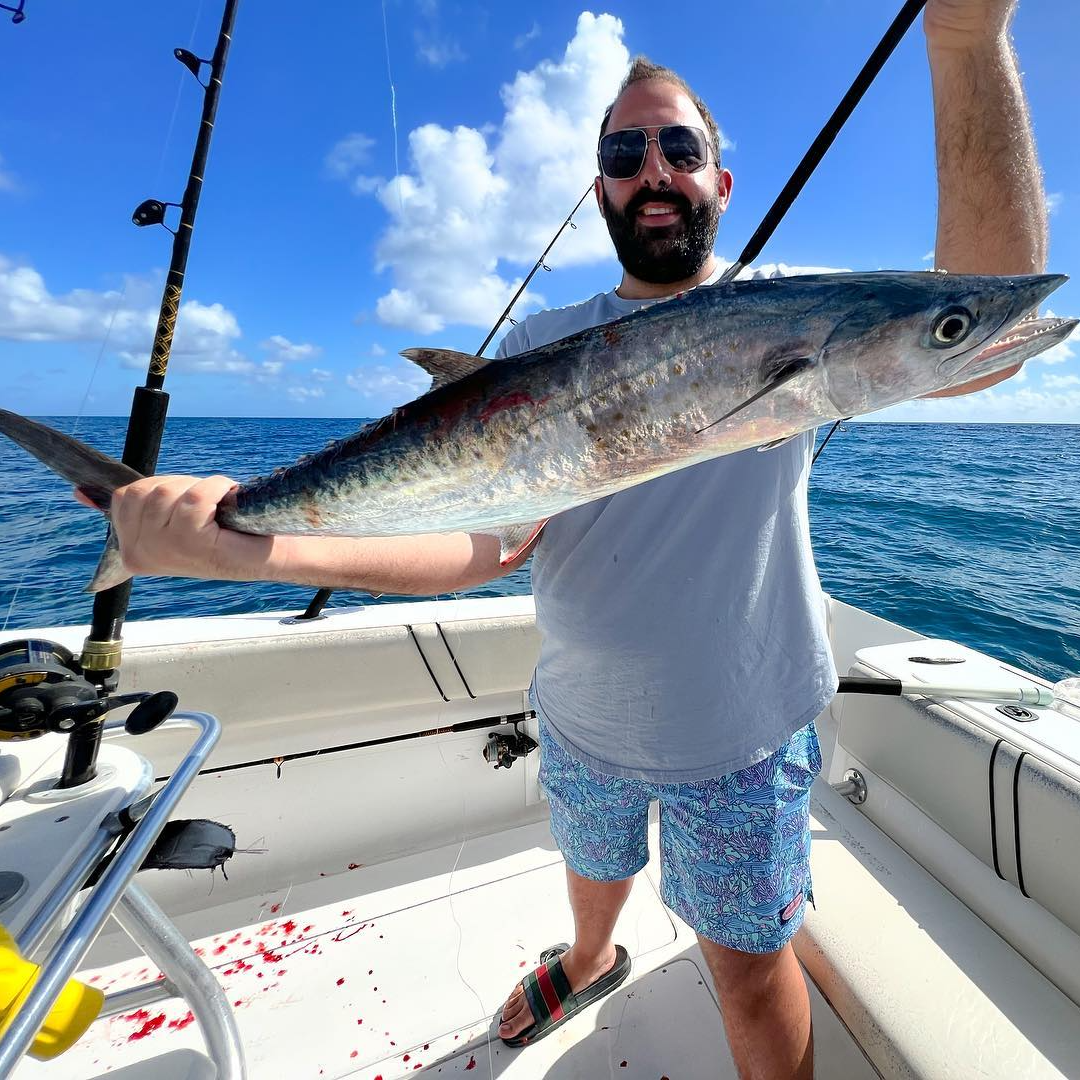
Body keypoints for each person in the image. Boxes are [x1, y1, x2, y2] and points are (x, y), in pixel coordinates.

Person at [96, 2, 1046, 1076]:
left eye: (680, 147)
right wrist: (247, 548)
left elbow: (983, 327)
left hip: (743, 735)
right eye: (624, 152)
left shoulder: (792, 305)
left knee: (745, 965)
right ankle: (590, 957)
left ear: (719, 184)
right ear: (599, 187)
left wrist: (966, 41)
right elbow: (487, 546)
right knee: (590, 870)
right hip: (581, 714)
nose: (654, 170)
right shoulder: (544, 343)